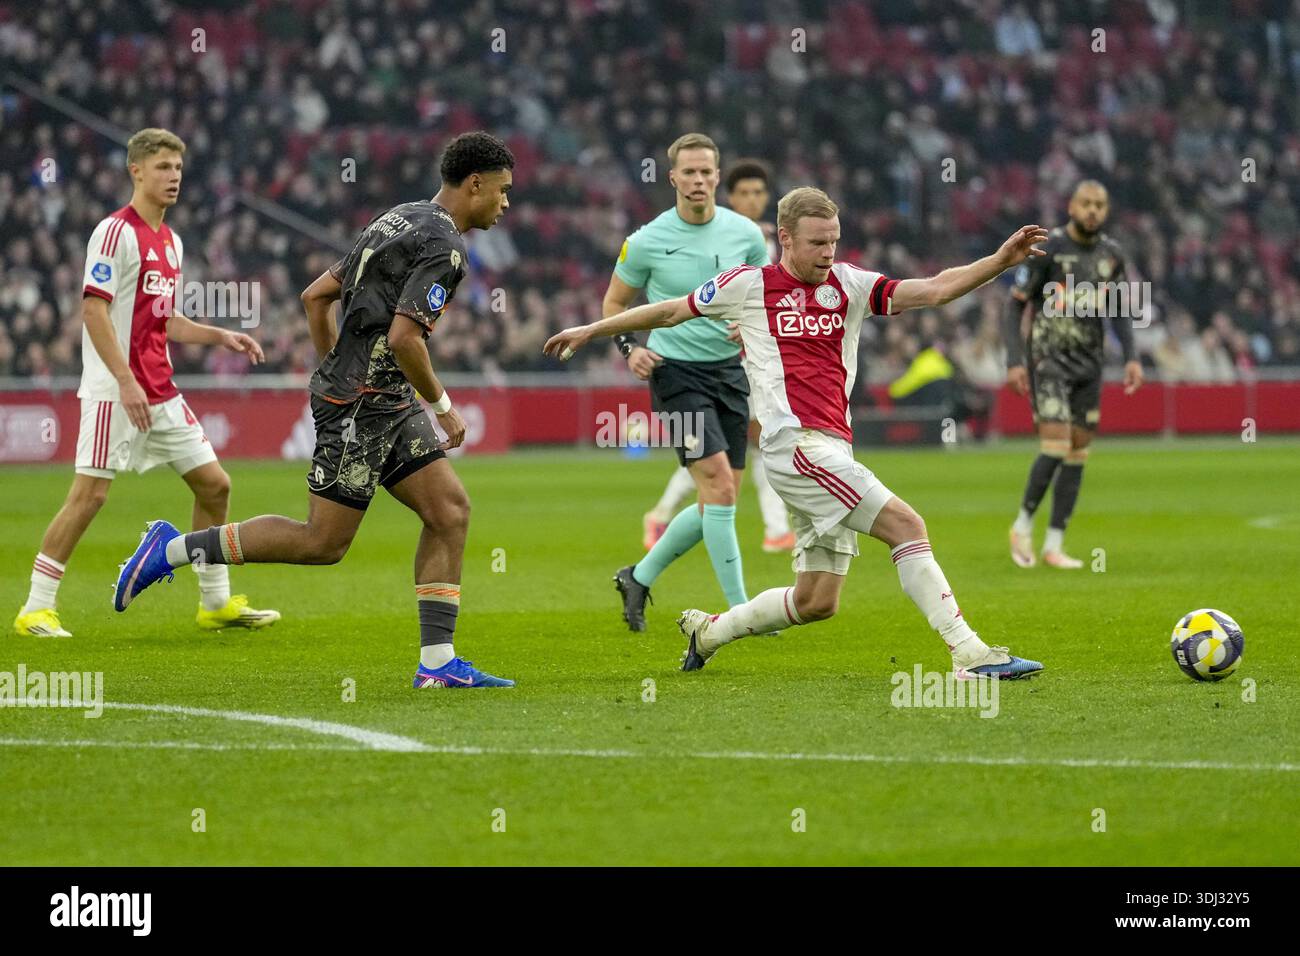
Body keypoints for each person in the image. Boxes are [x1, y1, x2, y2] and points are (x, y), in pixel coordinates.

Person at [545, 187, 1045, 679]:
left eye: (833, 241)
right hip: (796, 448)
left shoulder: (849, 284)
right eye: (816, 243)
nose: (828, 253)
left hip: (831, 446)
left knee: (816, 601)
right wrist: (592, 331)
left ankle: (709, 632)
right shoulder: (748, 285)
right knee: (906, 526)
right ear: (785, 238)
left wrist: (1000, 260)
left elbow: (935, 289)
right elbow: (670, 310)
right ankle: (970, 654)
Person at [113, 131, 516, 689]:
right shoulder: (444, 247)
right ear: (476, 184)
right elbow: (405, 339)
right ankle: (171, 548)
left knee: (449, 511)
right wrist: (443, 406)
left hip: (380, 399)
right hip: (363, 405)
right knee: (322, 544)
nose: (506, 202)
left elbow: (314, 296)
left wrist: (337, 366)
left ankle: (439, 664)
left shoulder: (397, 218)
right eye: (502, 190)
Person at [13, 127, 276, 638]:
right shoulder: (114, 232)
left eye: (178, 168)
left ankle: (214, 602)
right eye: (162, 167)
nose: (173, 176)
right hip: (117, 391)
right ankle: (35, 608)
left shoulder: (172, 241)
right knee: (89, 496)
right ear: (136, 171)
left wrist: (221, 336)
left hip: (160, 389)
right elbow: (93, 310)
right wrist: (124, 380)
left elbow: (165, 320)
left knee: (215, 484)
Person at [600, 133, 769, 632]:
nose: (698, 181)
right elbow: (614, 305)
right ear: (672, 177)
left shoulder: (746, 236)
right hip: (675, 375)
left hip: (730, 374)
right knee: (717, 487)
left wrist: (750, 323)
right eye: (689, 173)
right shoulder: (648, 240)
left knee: (720, 498)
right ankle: (744, 610)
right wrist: (631, 349)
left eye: (706, 172)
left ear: (719, 177)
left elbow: (765, 296)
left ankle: (639, 575)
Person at [642, 158, 795, 552]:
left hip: (751, 353)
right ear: (729, 196)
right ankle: (665, 515)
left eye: (759, 192)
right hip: (714, 357)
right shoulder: (724, 235)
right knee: (738, 446)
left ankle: (773, 527)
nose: (752, 199)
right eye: (744, 192)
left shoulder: (766, 238)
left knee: (752, 442)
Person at [1004, 180, 1143, 569]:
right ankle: (1022, 525)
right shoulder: (1049, 249)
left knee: (1078, 451)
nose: (1093, 210)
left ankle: (1054, 544)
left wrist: (1132, 358)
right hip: (1048, 359)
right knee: (1055, 443)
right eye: (1087, 203)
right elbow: (1014, 306)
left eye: (1100, 204)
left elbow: (1119, 312)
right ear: (1071, 206)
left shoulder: (1112, 255)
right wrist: (1014, 360)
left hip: (1089, 364)